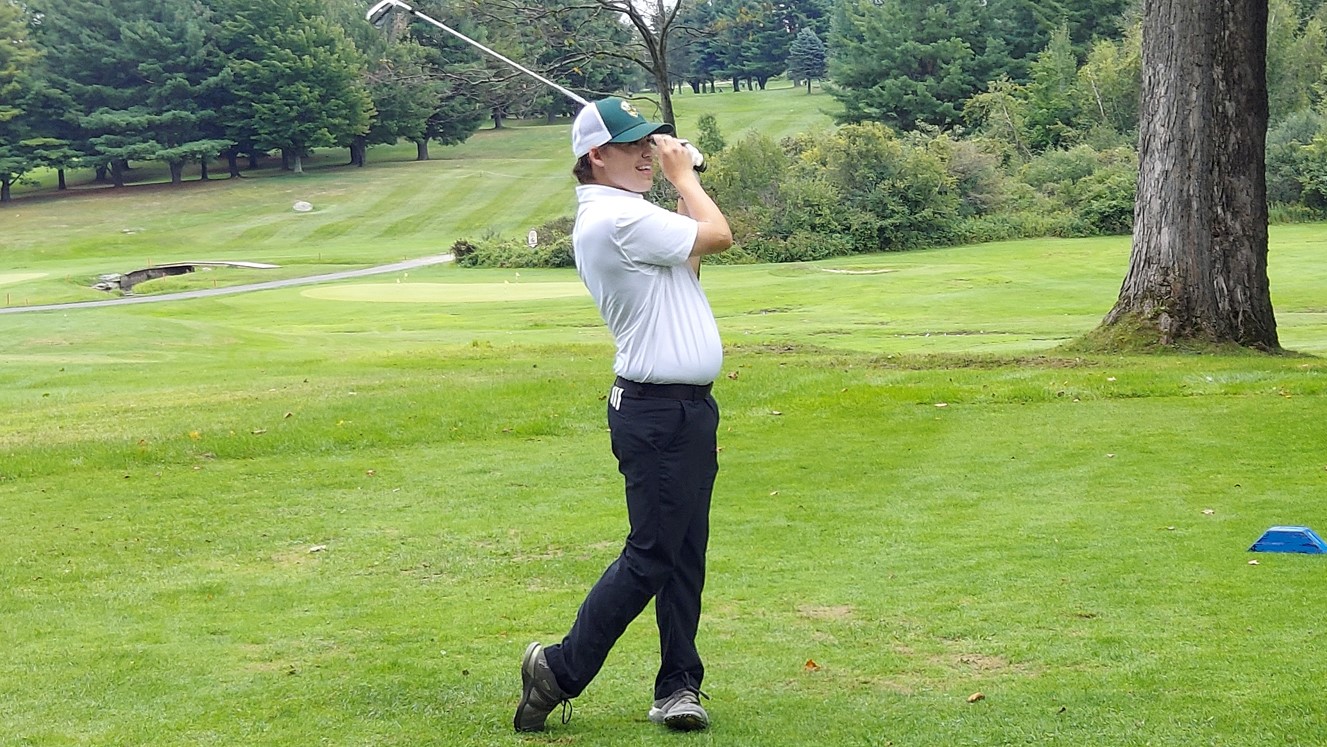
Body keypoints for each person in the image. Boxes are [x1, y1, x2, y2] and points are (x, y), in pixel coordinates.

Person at [513, 97, 734, 734]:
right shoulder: (615, 220)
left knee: (683, 552)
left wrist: (681, 185)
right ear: (595, 157)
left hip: (686, 411)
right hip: (658, 413)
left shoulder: (631, 215)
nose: (646, 153)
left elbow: (691, 258)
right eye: (633, 145)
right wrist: (686, 178)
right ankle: (558, 668)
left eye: (651, 143)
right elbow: (717, 236)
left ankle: (678, 685)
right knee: (652, 555)